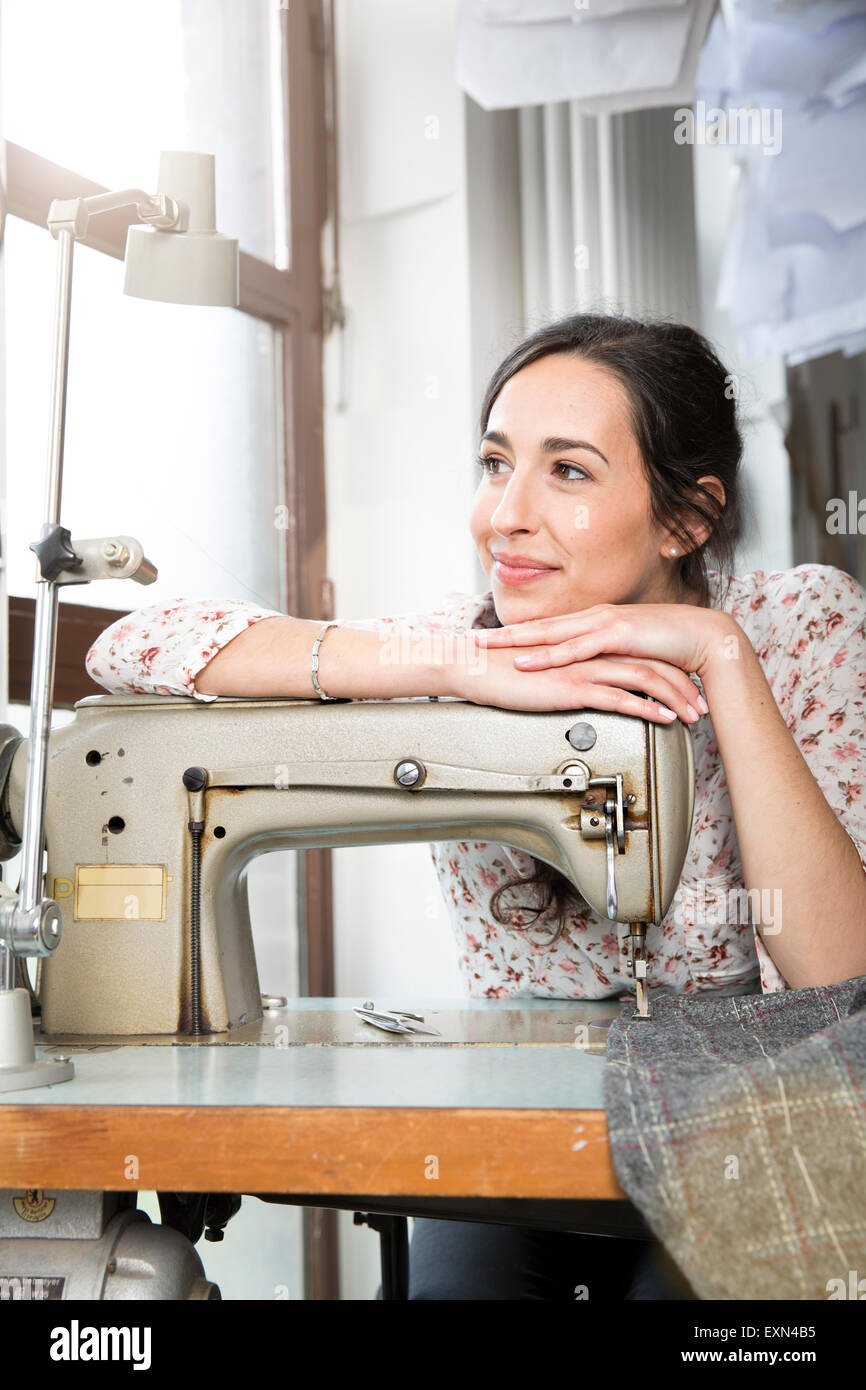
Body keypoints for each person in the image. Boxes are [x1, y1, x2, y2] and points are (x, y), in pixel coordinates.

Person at [85, 313, 866, 1299]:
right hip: (523, 1119)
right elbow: (131, 647)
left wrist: (718, 652)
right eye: (495, 463)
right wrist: (461, 663)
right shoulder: (451, 649)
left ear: (687, 518)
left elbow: (838, 973)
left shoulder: (797, 624)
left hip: (752, 1113)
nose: (505, 512)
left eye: (567, 471)